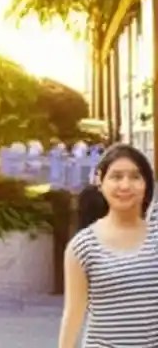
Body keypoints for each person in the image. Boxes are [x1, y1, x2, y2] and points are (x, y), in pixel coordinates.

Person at [59, 144, 158, 347]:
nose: (125, 185)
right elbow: (73, 314)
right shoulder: (83, 247)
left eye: (135, 177)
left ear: (147, 184)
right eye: (116, 176)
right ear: (100, 182)